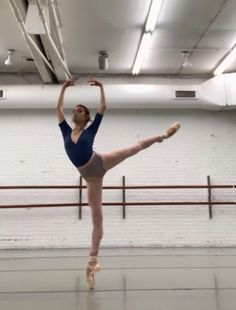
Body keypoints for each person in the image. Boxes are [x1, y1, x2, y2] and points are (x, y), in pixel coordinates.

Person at [56, 77, 180, 289]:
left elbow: (103, 107)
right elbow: (57, 108)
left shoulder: (90, 130)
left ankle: (162, 135)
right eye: (74, 109)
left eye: (80, 109)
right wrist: (63, 88)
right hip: (90, 177)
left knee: (134, 148)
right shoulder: (66, 131)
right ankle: (92, 261)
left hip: (99, 162)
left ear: (86, 117)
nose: (76, 110)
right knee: (97, 217)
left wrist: (102, 87)